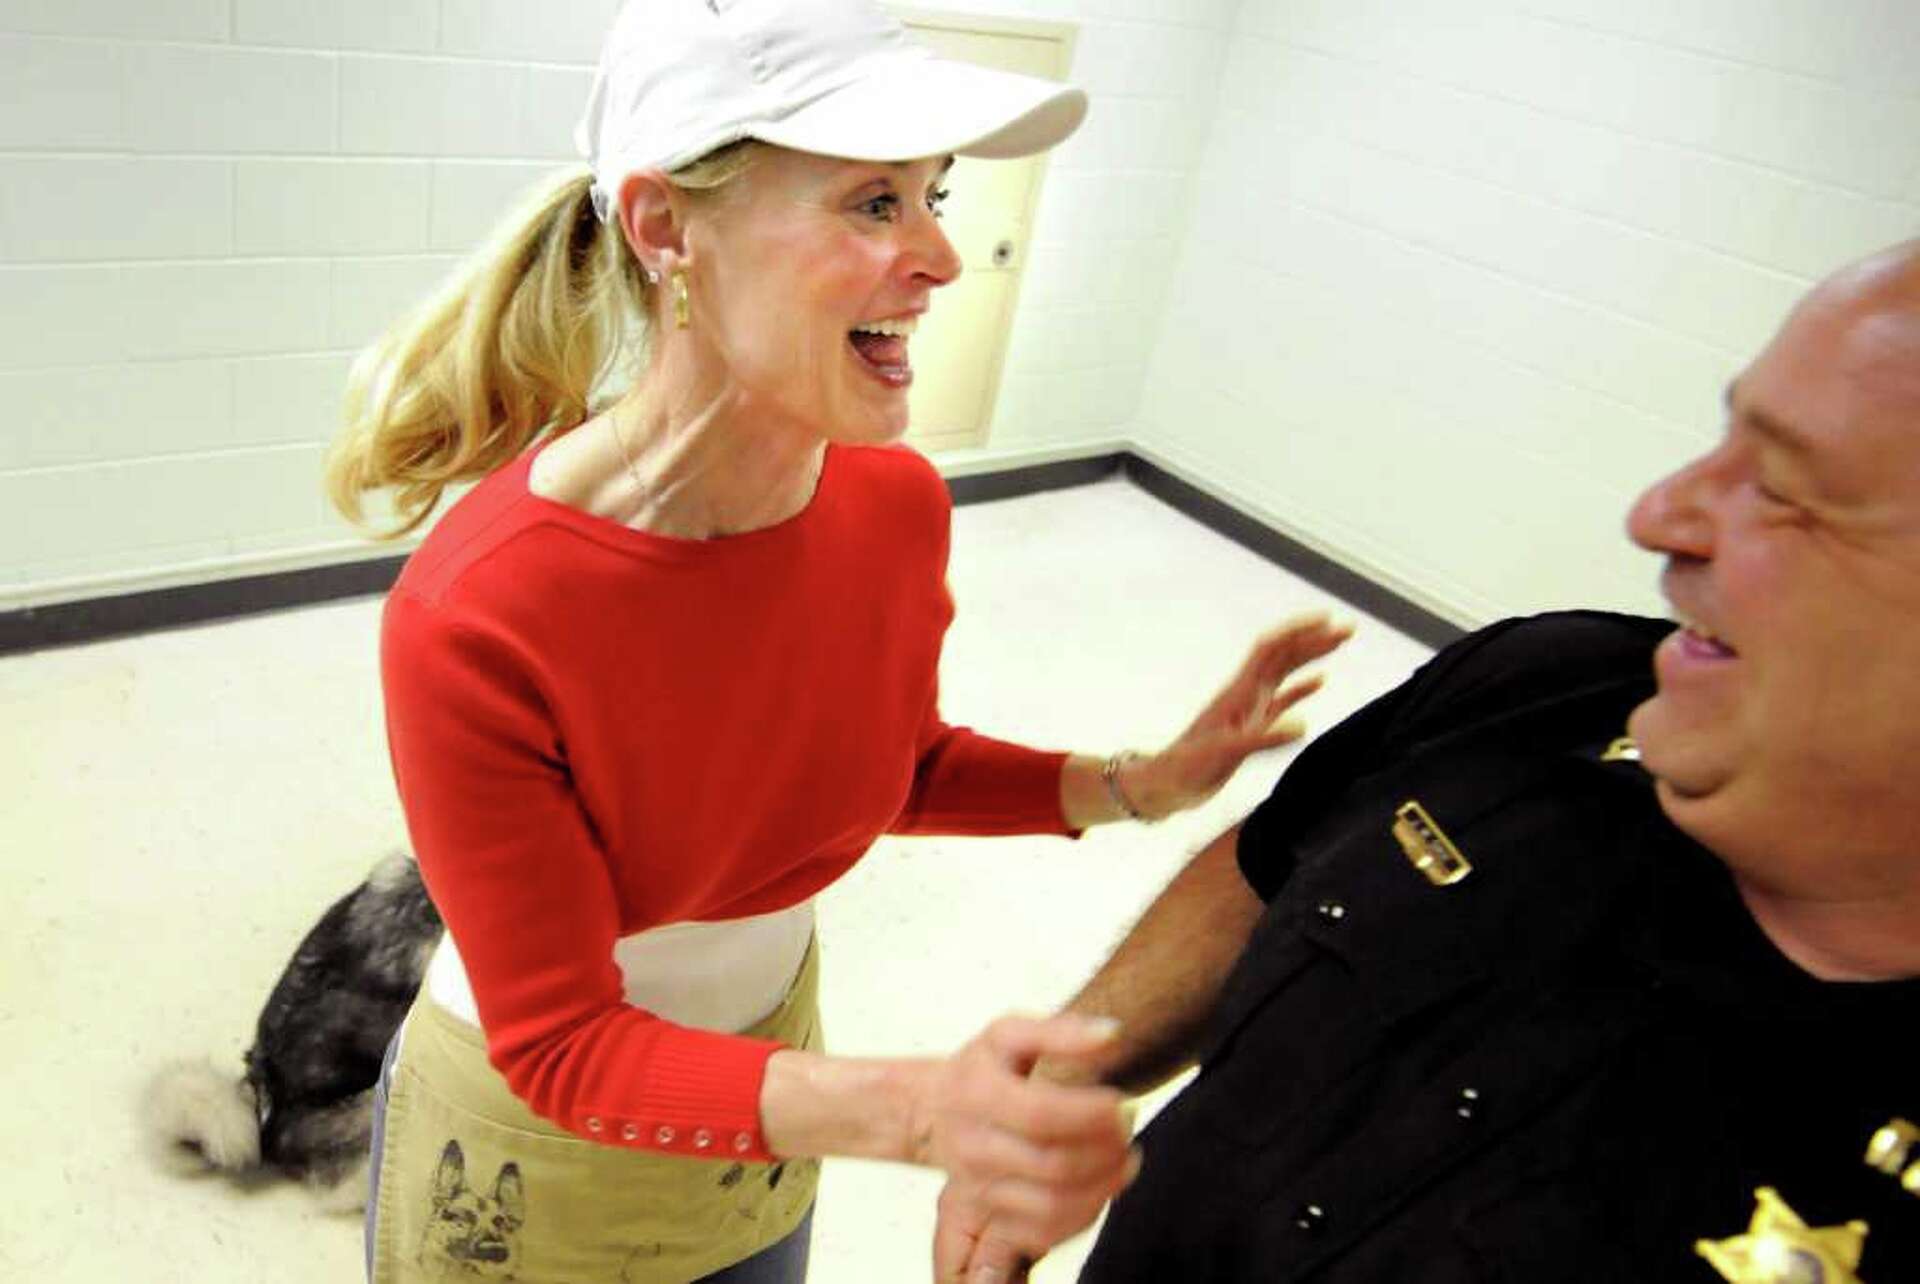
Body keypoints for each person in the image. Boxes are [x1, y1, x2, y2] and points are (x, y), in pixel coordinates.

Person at [325, 1, 1352, 1281]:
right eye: (873, 202)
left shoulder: (892, 503)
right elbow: (567, 1043)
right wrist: (917, 1108)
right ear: (665, 231)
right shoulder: (481, 609)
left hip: (773, 1078)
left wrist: (1140, 785)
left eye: (936, 194)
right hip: (540, 1145)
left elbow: (893, 768)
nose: (939, 255)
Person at [941, 242, 1920, 1284]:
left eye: (1782, 489)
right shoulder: (1546, 685)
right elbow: (1278, 862)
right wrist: (1066, 1082)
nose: (1659, 516)